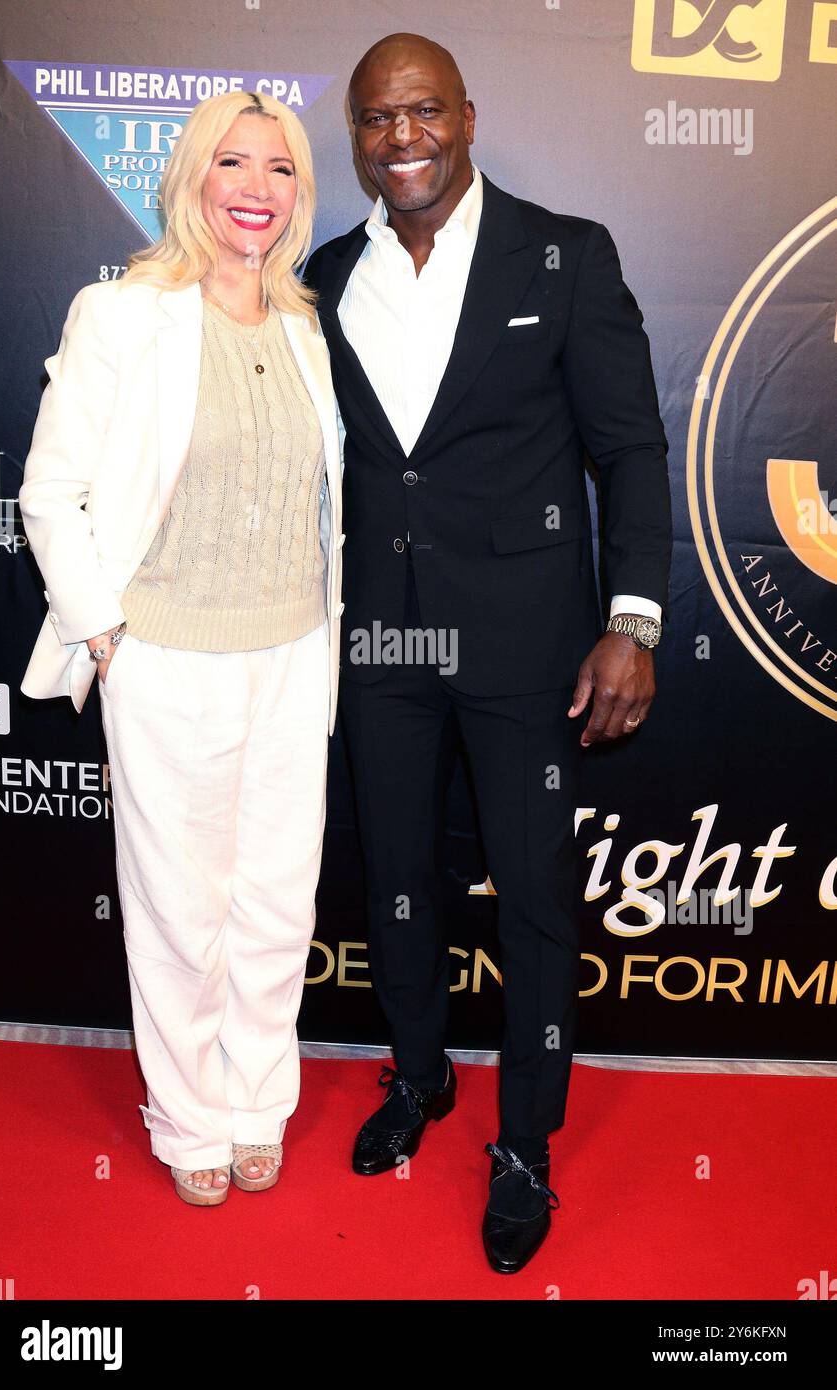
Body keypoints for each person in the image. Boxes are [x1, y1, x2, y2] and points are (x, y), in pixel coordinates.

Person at [303, 33, 671, 1272]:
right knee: (394, 869)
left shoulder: (563, 253)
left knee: (529, 904)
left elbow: (627, 450)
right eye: (373, 119)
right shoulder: (324, 273)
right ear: (351, 135)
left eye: (419, 112)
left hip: (524, 642)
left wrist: (629, 620)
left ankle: (524, 1142)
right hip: (386, 635)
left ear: (465, 116)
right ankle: (415, 1076)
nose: (398, 138)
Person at [19, 90, 344, 1206]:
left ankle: (258, 1101)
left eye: (281, 170)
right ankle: (187, 1114)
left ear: (299, 194)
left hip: (295, 652)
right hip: (164, 656)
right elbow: (51, 493)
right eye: (233, 165)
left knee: (275, 902)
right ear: (193, 179)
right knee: (175, 907)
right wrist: (106, 630)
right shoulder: (122, 314)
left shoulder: (304, 327)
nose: (256, 190)